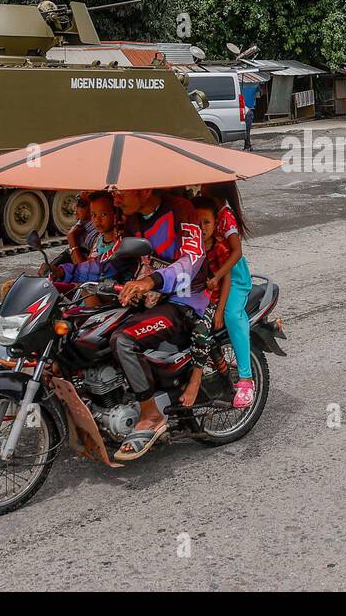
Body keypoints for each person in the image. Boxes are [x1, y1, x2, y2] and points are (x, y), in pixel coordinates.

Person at [108, 187, 208, 457]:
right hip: (149, 299)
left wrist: (151, 281)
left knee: (123, 340)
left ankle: (151, 414)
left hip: (185, 300)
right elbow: (115, 264)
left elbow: (191, 260)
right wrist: (61, 274)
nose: (114, 198)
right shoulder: (132, 219)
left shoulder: (181, 210)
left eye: (119, 191)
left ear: (144, 189)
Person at [194, 186, 256, 407]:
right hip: (208, 276)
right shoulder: (202, 213)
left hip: (234, 278)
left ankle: (246, 379)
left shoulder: (225, 217)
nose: (200, 190)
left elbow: (236, 252)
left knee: (231, 315)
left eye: (204, 187)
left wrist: (218, 276)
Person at [241, 80, 260, 151]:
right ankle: (248, 146)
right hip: (247, 113)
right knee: (246, 131)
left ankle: (248, 146)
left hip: (248, 114)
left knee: (247, 131)